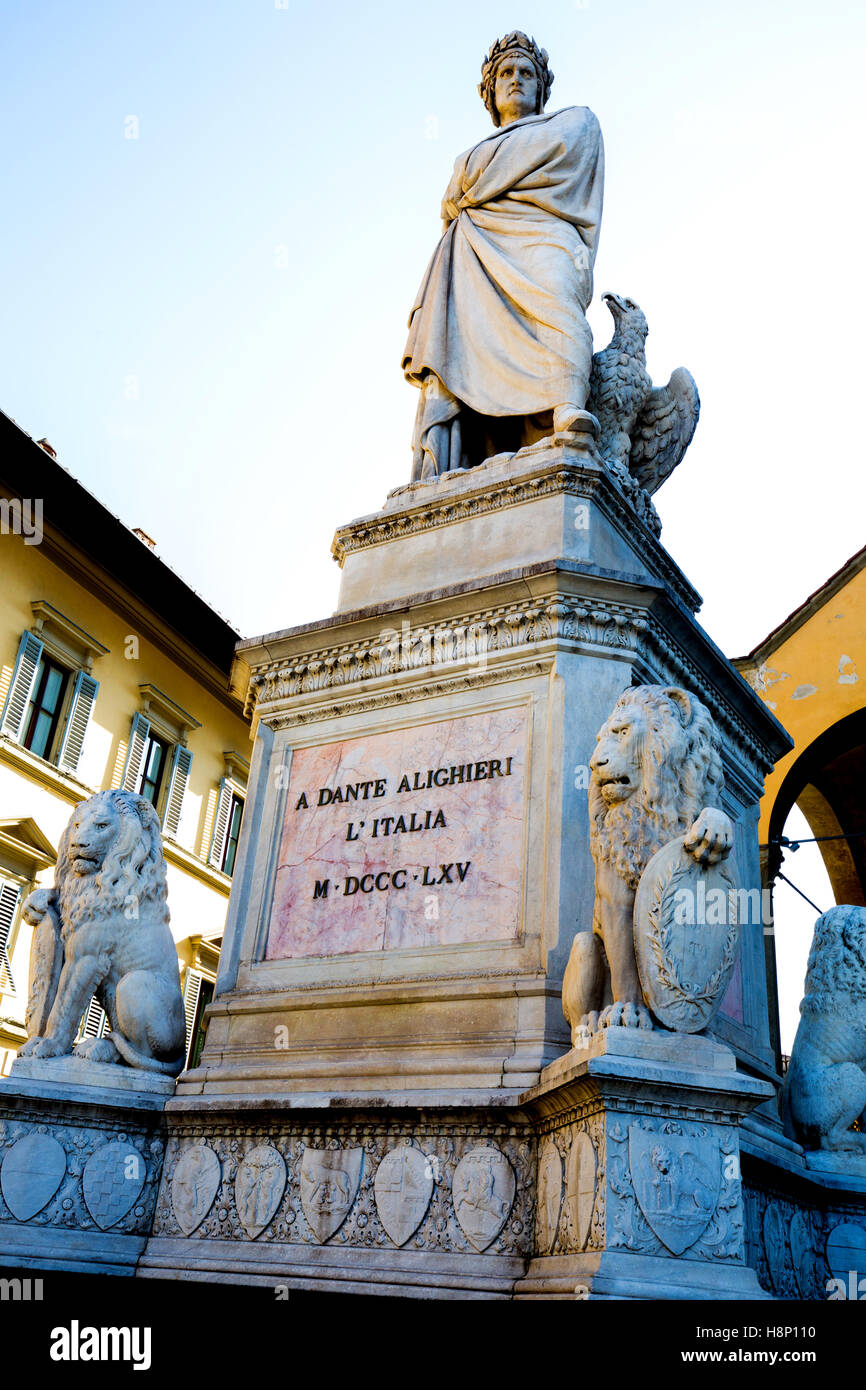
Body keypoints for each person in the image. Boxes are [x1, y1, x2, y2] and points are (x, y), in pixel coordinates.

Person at [403, 32, 604, 481]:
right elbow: (454, 198)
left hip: (544, 237)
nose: (516, 80)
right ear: (491, 93)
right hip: (476, 254)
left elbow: (463, 190)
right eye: (506, 74)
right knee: (464, 329)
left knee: (556, 297)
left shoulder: (572, 125)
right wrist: (487, 180)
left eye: (526, 73)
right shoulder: (470, 157)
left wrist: (479, 183)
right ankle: (455, 459)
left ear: (541, 87)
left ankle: (566, 411)